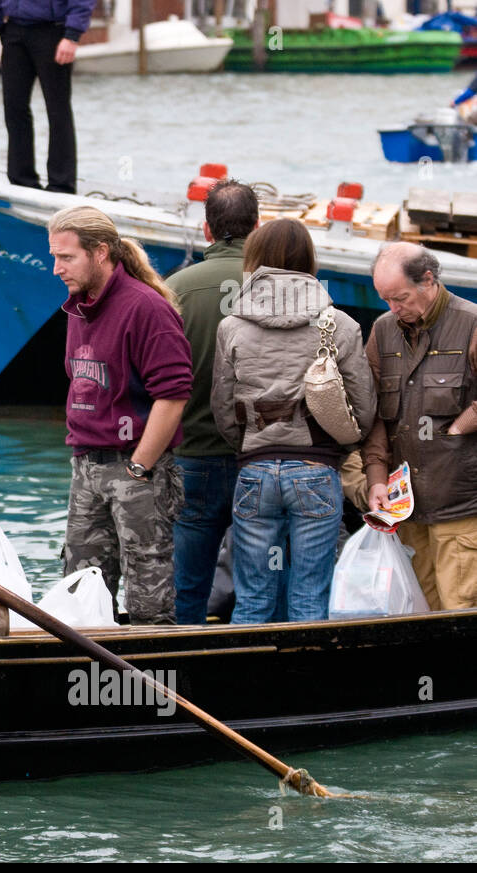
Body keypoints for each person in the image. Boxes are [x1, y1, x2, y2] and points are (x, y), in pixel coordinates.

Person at [212, 219, 376, 624]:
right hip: (316, 469)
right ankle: (306, 683)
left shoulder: (231, 326)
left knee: (251, 599)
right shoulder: (341, 325)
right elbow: (364, 408)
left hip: (256, 470)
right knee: (309, 596)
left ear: (255, 260)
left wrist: (250, 444)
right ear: (308, 260)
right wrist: (340, 447)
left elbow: (222, 407)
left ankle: (241, 682)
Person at [50, 206, 192, 625]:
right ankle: (83, 681)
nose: (56, 268)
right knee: (78, 593)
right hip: (86, 465)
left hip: (135, 468)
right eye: (54, 256)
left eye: (67, 257)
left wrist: (138, 468)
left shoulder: (146, 308)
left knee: (149, 595)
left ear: (101, 252)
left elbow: (174, 395)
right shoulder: (78, 307)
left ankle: (153, 681)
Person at [166, 178, 259, 624]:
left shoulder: (176, 288)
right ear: (257, 228)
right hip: (262, 455)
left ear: (206, 230)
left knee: (188, 582)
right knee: (260, 579)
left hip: (194, 453)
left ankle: (185, 661)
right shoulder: (287, 288)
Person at [365, 243, 477, 610]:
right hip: (406, 512)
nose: (393, 309)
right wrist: (376, 478)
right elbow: (375, 416)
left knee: (459, 612)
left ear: (428, 280)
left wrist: (459, 428)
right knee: (415, 614)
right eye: (385, 300)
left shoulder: (472, 323)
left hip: (460, 511)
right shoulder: (382, 332)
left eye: (400, 298)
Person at [0, 0, 98, 194]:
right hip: (14, 32)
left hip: (52, 32)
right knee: (14, 107)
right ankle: (21, 180)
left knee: (57, 110)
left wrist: (72, 35)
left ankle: (61, 185)